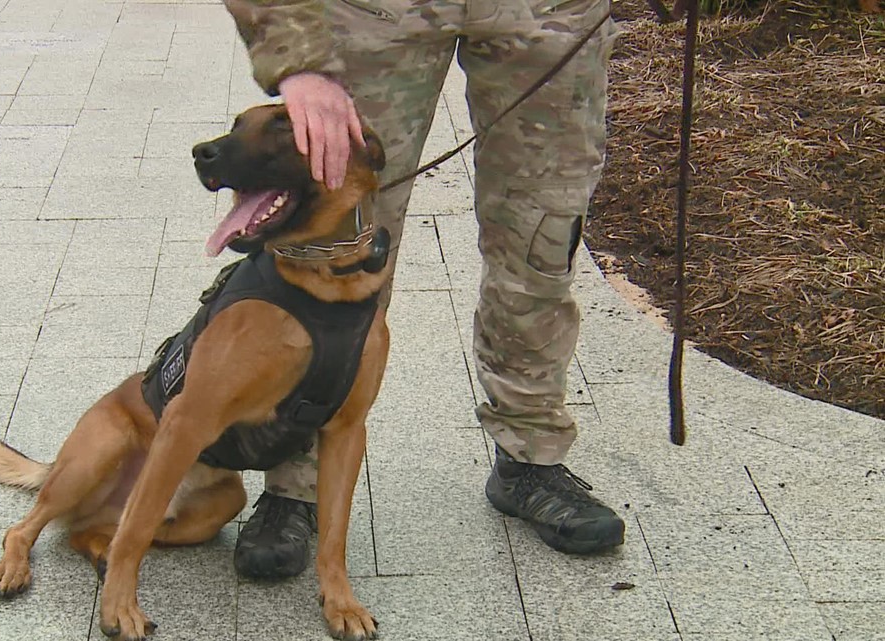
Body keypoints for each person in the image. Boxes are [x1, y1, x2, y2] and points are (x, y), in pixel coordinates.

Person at [220, 0, 625, 579]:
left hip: (551, 14)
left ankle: (529, 456)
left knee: (543, 235)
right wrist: (298, 56)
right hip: (370, 13)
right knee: (328, 239)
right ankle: (297, 480)